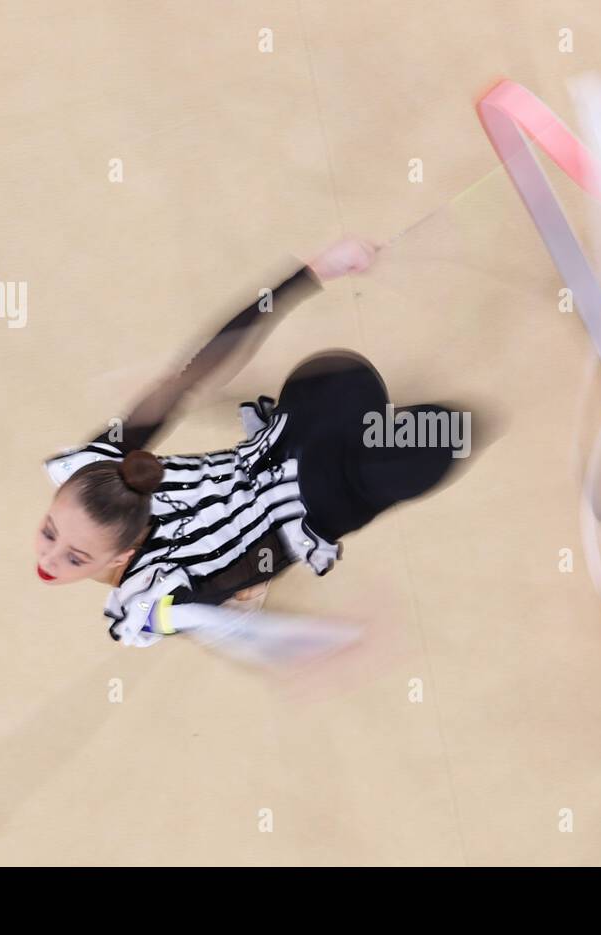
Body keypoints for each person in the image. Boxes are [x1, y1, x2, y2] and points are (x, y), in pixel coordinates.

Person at [36, 237, 474, 648]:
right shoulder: (149, 598)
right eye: (75, 557)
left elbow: (193, 372)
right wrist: (318, 640)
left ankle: (364, 437)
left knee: (343, 373)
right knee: (450, 431)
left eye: (49, 531)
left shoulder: (94, 471)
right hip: (321, 502)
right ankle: (372, 456)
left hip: (281, 443)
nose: (49, 560)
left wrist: (315, 270)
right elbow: (209, 622)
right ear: (122, 557)